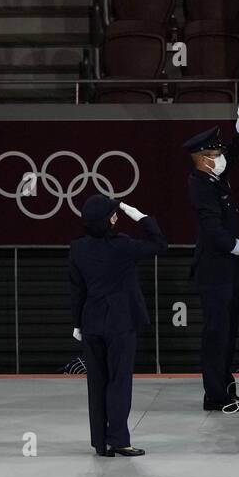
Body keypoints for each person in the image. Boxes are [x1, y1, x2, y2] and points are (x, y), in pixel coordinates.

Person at [68, 193, 166, 456]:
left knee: (96, 383)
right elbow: (159, 244)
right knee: (119, 382)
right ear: (106, 221)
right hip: (120, 323)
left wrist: (77, 322)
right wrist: (140, 215)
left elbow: (77, 290)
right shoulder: (123, 245)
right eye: (113, 214)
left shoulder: (78, 248)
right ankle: (120, 440)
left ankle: (101, 443)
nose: (117, 216)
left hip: (91, 323)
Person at [185, 100, 239, 412]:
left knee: (227, 331)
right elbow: (213, 231)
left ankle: (225, 392)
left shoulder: (213, 176)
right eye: (215, 155)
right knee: (217, 333)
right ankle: (215, 395)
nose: (220, 158)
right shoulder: (201, 185)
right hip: (215, 270)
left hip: (227, 269)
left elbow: (236, 153)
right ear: (203, 160)